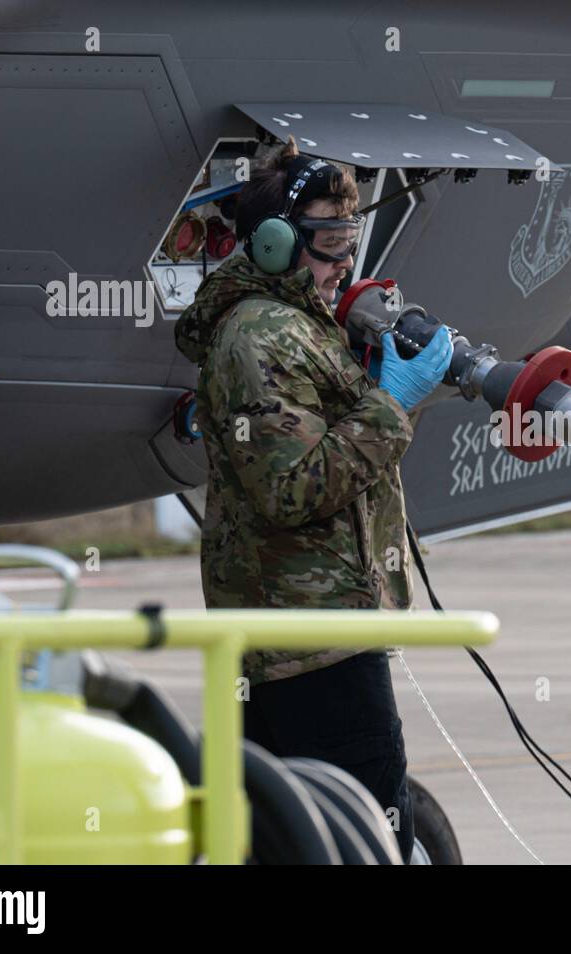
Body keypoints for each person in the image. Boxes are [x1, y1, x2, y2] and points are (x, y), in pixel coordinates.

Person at [173, 137, 452, 861]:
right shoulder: (261, 336)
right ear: (272, 246)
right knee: (365, 836)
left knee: (281, 841)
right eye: (328, 246)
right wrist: (390, 404)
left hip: (290, 637)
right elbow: (290, 488)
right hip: (317, 639)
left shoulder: (289, 326)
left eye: (349, 246)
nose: (342, 268)